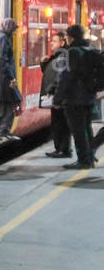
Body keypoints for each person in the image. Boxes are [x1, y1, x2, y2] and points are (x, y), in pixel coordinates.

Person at [56, 24, 98, 169]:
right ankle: (90, 158)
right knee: (87, 128)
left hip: (75, 99)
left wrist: (57, 98)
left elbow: (67, 77)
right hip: (89, 96)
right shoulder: (90, 48)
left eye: (67, 36)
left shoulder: (73, 51)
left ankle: (84, 161)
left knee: (78, 131)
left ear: (71, 37)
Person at [40, 31, 72, 158]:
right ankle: (60, 149)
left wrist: (54, 91)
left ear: (62, 43)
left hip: (60, 97)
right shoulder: (56, 56)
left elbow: (61, 77)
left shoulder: (62, 56)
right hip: (57, 96)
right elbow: (49, 73)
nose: (51, 43)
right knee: (57, 123)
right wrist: (44, 63)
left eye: (54, 41)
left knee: (61, 123)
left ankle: (63, 150)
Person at [0, 17, 22, 145]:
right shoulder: (4, 39)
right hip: (6, 79)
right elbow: (3, 59)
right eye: (13, 29)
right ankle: (1, 131)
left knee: (7, 104)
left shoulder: (3, 37)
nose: (14, 32)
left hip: (5, 78)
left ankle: (2, 131)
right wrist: (11, 78)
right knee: (10, 103)